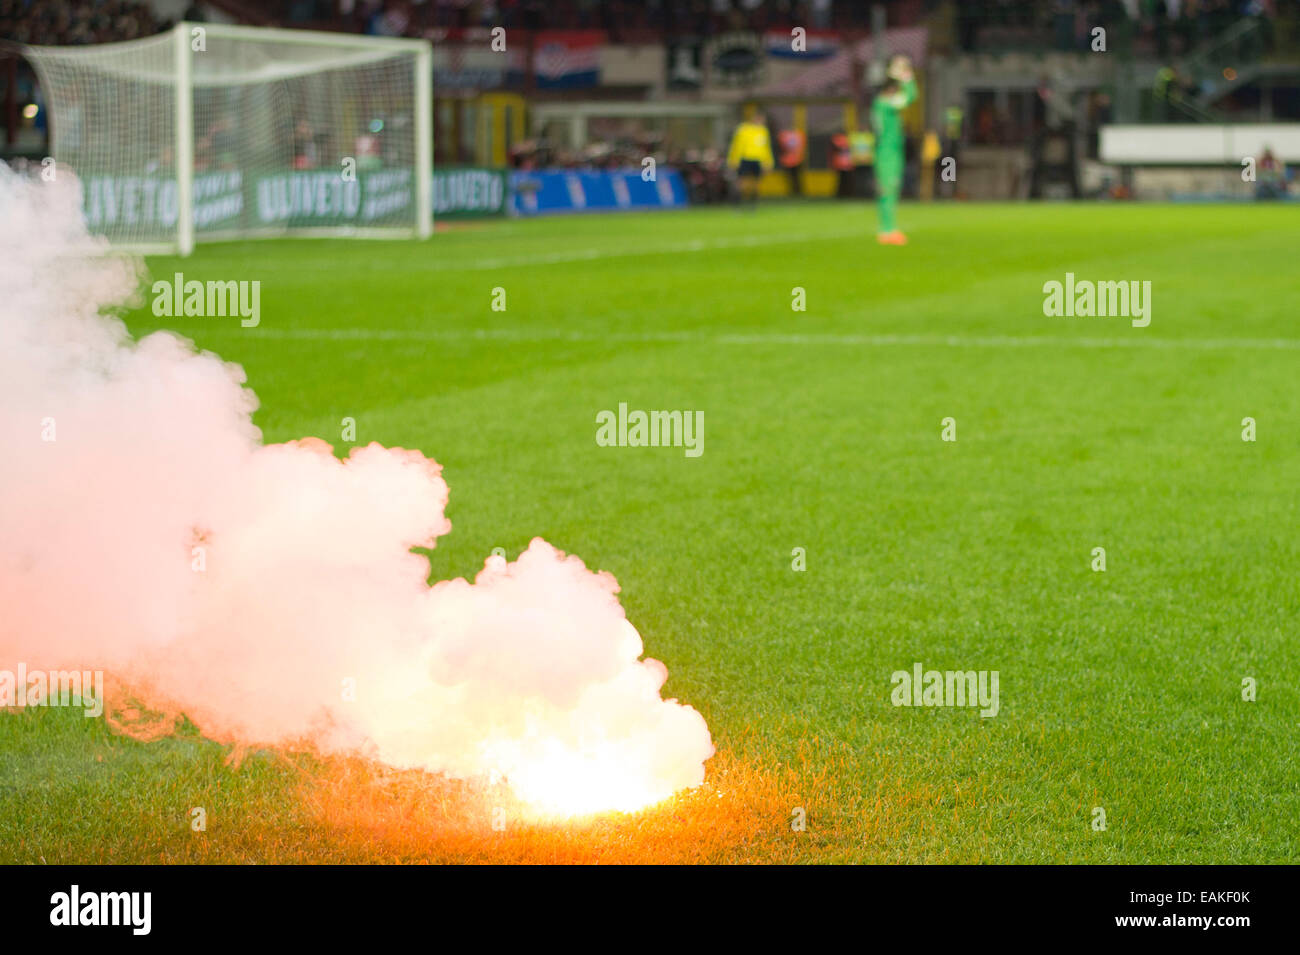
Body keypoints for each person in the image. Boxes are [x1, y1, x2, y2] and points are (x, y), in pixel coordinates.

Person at [871, 54, 917, 244]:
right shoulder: (885, 104)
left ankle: (888, 229)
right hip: (887, 154)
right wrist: (906, 77)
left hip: (890, 152)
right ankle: (887, 230)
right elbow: (912, 96)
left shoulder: (882, 104)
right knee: (888, 191)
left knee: (890, 191)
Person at [726, 109, 775, 209]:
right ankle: (736, 203)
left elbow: (766, 147)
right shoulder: (743, 129)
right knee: (741, 182)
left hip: (758, 160)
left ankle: (753, 204)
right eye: (759, 119)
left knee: (756, 183)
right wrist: (733, 159)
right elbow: (736, 145)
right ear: (754, 118)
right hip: (745, 159)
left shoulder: (763, 131)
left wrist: (769, 162)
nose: (760, 121)